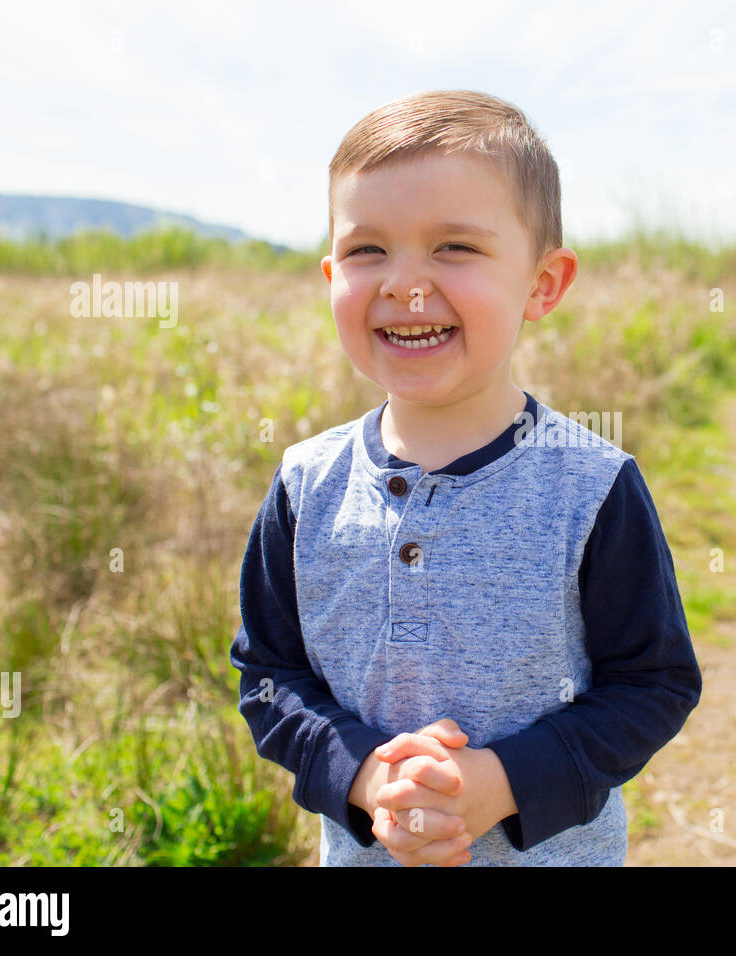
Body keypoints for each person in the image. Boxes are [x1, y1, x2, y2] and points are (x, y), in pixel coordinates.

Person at [230, 89, 701, 866]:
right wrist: (364, 774)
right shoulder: (304, 486)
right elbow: (269, 678)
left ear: (543, 283)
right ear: (330, 275)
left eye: (454, 247)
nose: (406, 285)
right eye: (367, 250)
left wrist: (501, 781)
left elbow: (653, 684)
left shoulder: (591, 487)